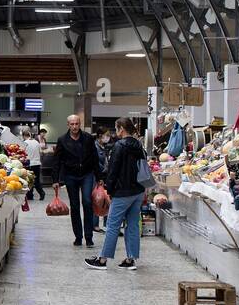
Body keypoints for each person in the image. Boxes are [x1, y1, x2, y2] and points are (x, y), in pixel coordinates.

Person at [85, 117, 148, 270]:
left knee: (113, 225)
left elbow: (113, 170)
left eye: (116, 128)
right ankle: (131, 259)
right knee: (132, 225)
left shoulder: (119, 146)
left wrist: (110, 189)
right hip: (138, 191)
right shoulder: (138, 145)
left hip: (123, 192)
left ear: (121, 128)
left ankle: (102, 260)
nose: (115, 132)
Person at [53, 114, 101, 248]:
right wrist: (55, 179)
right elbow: (57, 161)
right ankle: (78, 237)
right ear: (68, 125)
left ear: (80, 124)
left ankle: (89, 236)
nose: (74, 126)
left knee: (87, 202)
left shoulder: (88, 138)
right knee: (74, 206)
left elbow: (95, 158)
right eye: (72, 124)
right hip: (70, 176)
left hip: (87, 174)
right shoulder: (62, 140)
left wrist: (99, 177)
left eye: (77, 124)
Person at [22, 129, 44, 200]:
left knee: (29, 181)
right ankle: (41, 193)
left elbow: (22, 154)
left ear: (24, 136)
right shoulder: (37, 142)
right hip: (37, 164)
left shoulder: (24, 143)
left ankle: (30, 195)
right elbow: (41, 152)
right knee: (37, 180)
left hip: (29, 164)